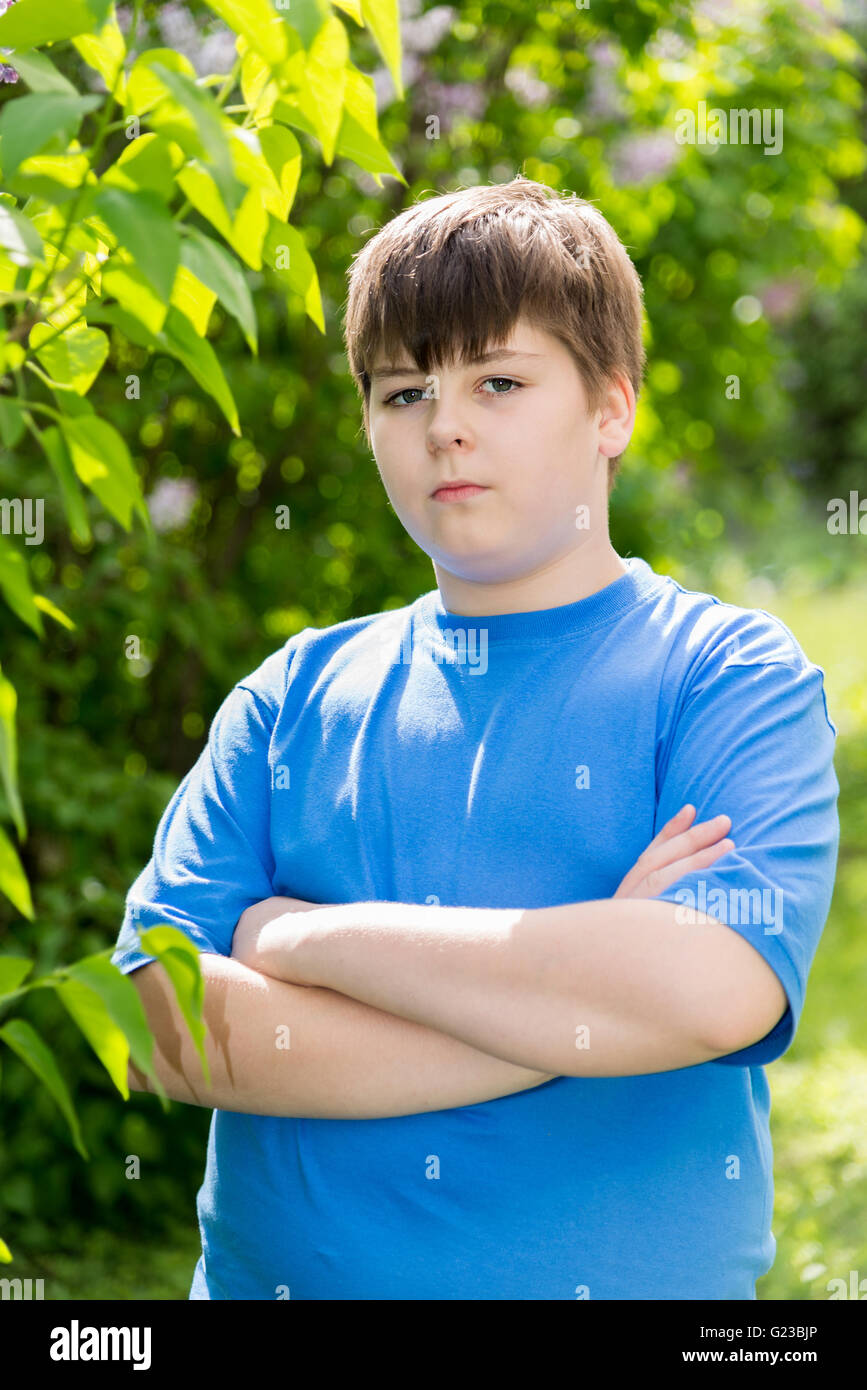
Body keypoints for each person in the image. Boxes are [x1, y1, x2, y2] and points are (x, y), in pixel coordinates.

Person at [112, 176, 839, 1300]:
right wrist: (581, 996)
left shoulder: (726, 676)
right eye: (404, 391)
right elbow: (157, 1023)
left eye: (499, 380)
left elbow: (708, 994)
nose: (445, 422)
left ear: (611, 408)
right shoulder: (290, 695)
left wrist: (301, 941)